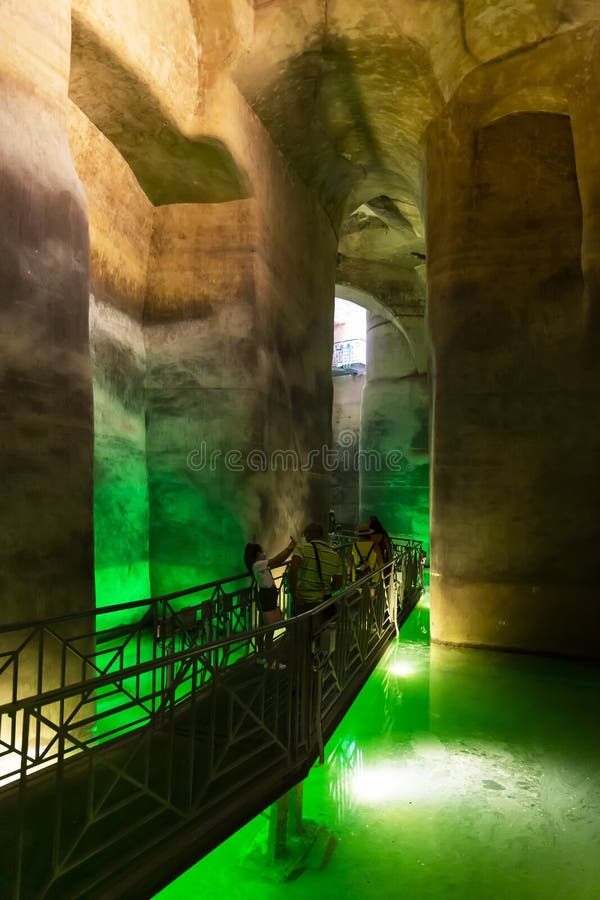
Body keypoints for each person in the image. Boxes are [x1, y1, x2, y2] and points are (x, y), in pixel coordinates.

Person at [244, 536, 296, 668]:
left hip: (267, 600)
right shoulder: (258, 565)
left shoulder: (258, 566)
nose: (264, 553)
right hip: (268, 601)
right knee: (270, 631)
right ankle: (271, 661)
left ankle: (261, 657)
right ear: (257, 554)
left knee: (264, 629)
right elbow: (277, 560)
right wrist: (289, 548)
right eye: (262, 552)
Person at [288, 523, 343, 620]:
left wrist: (294, 594)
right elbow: (338, 584)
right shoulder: (335, 555)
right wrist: (325, 590)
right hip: (323, 603)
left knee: (299, 627)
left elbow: (293, 570)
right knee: (318, 628)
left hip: (303, 602)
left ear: (307, 535)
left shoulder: (301, 548)